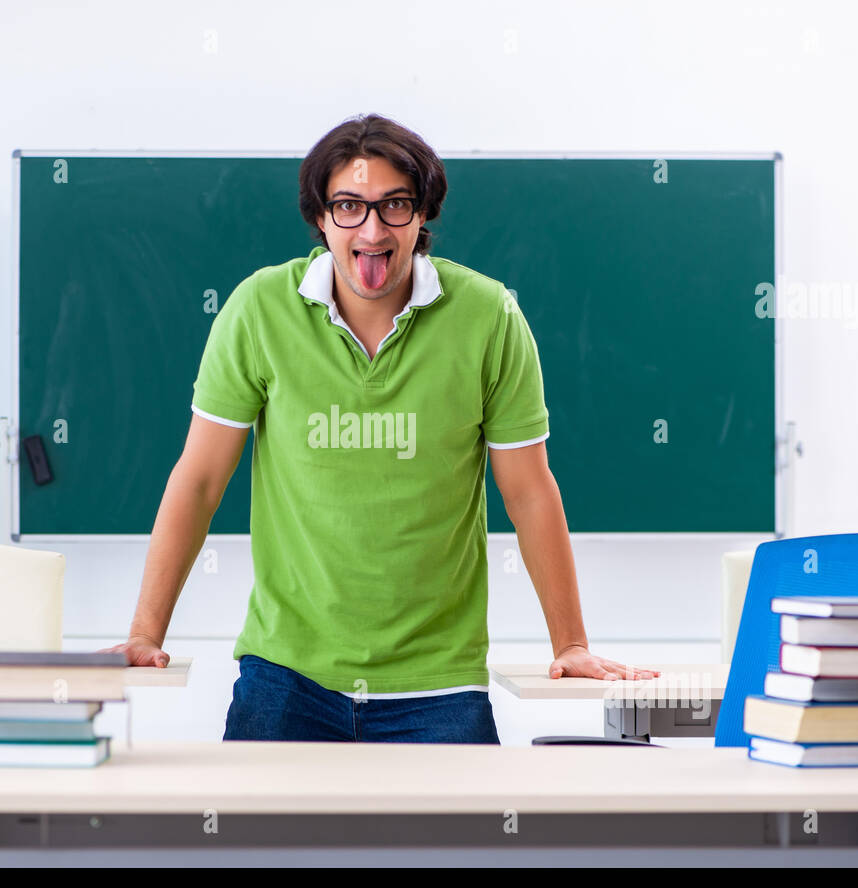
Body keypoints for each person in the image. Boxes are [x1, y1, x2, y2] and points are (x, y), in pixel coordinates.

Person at [102, 113, 659, 742]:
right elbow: (200, 479)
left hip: (439, 687)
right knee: (261, 844)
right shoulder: (258, 309)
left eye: (395, 205)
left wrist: (572, 642)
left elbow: (529, 491)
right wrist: (146, 635)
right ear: (320, 216)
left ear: (423, 215)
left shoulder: (489, 316)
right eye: (349, 206)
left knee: (453, 844)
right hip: (286, 676)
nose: (371, 228)